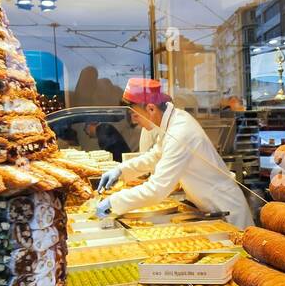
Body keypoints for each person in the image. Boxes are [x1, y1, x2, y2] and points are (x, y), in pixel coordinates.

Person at [96, 78, 253, 228]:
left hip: (227, 211)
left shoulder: (180, 131)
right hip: (211, 206)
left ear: (151, 108)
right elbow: (156, 155)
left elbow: (157, 189)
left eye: (135, 115)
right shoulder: (172, 121)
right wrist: (121, 170)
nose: (134, 121)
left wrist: (113, 202)